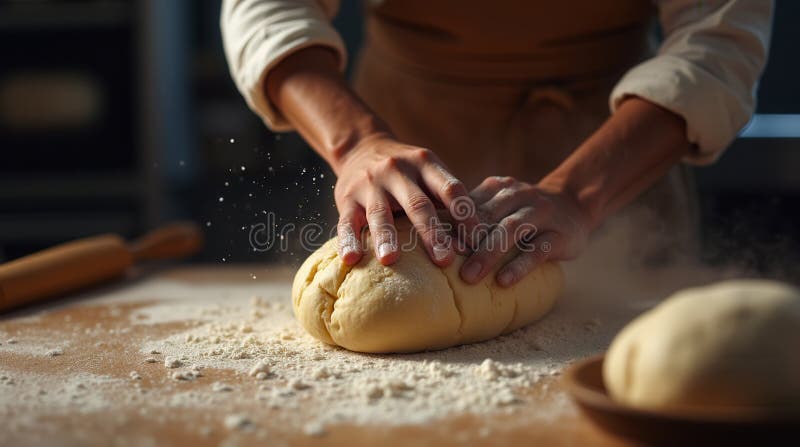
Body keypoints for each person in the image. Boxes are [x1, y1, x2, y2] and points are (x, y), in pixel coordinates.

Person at [221, 0, 772, 287]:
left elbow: (716, 43)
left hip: (615, 153)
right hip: (404, 144)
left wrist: (577, 196)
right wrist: (356, 142)